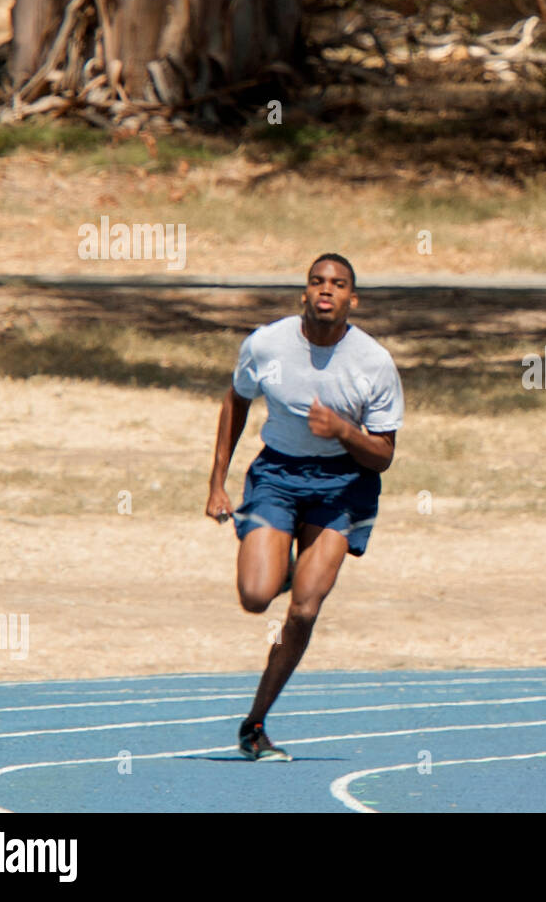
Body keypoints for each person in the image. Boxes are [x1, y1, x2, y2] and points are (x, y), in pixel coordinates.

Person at [205, 253, 404, 761]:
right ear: (304, 293)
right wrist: (217, 484)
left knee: (305, 609)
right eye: (317, 281)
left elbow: (382, 456)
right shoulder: (267, 344)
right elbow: (236, 400)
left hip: (343, 485)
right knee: (255, 596)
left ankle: (255, 723)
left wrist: (343, 431)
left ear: (351, 299)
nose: (326, 290)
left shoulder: (373, 361)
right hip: (278, 476)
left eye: (338, 284)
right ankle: (283, 562)